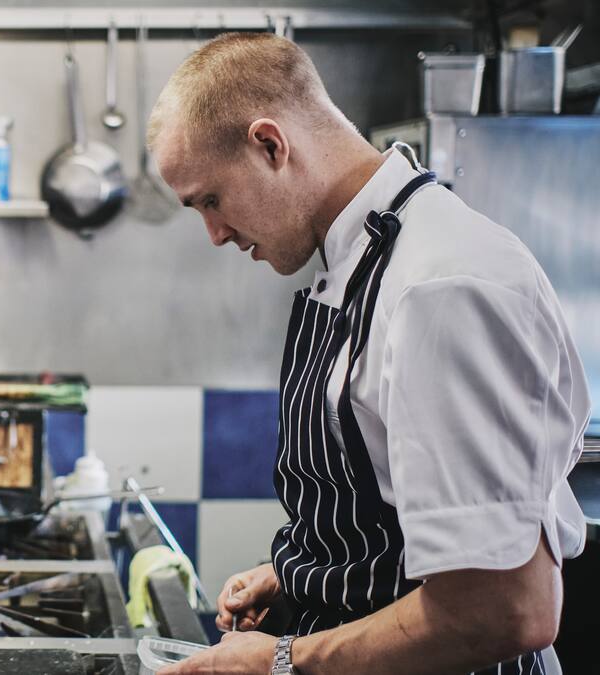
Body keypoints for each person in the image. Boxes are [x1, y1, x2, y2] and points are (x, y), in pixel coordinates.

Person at [147, 33, 588, 674]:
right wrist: (313, 575)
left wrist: (278, 661)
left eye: (211, 200)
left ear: (270, 145)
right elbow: (403, 514)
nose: (215, 234)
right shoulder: (365, 256)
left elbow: (504, 608)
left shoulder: (440, 286)